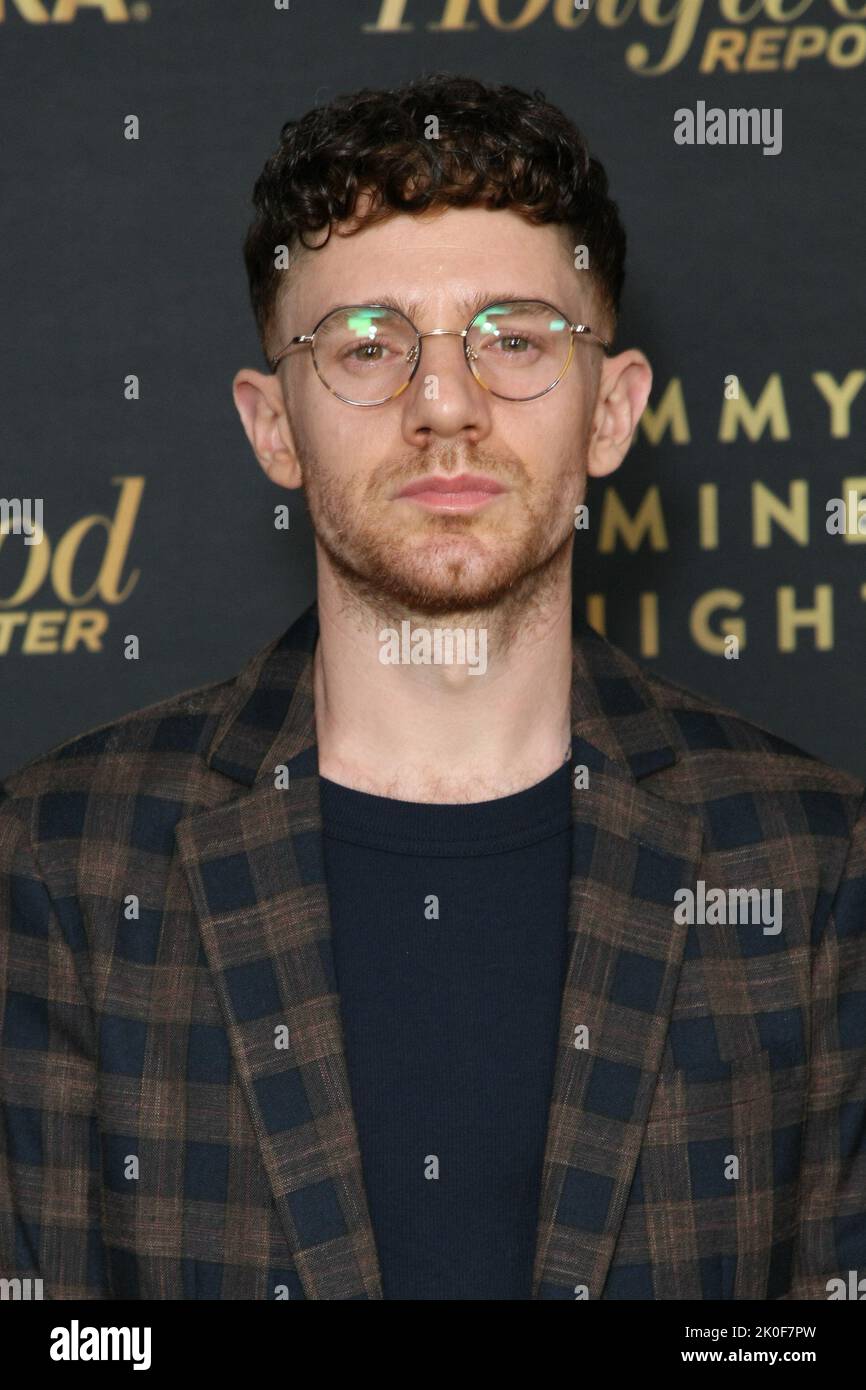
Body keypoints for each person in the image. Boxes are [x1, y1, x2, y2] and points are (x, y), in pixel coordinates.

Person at [1, 72, 864, 1302]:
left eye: (513, 339)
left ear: (611, 412)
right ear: (273, 427)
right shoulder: (59, 863)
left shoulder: (813, 867)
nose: (443, 405)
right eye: (367, 345)